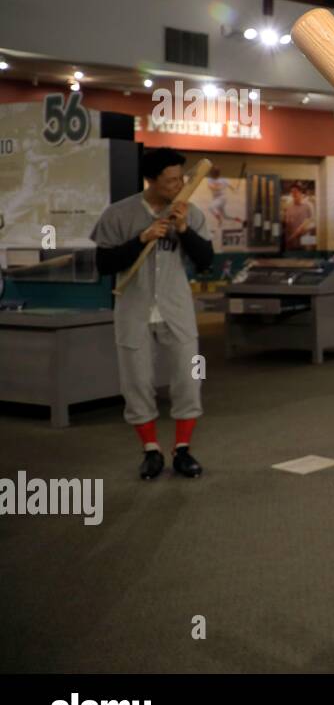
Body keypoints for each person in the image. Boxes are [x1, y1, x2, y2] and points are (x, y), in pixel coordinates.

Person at [91, 148, 213, 478]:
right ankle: (150, 450)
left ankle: (183, 449)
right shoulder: (118, 214)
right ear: (151, 180)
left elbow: (206, 261)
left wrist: (185, 230)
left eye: (181, 178)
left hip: (177, 311)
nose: (178, 185)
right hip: (133, 311)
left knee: (189, 380)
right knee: (137, 382)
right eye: (170, 180)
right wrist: (141, 239)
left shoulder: (190, 212)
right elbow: (104, 264)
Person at [282, 183, 315, 251]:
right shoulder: (289, 206)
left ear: (300, 192)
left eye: (295, 191)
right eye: (292, 192)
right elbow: (288, 223)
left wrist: (303, 229)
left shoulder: (308, 205)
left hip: (305, 239)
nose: (293, 194)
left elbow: (313, 222)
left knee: (306, 259)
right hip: (292, 241)